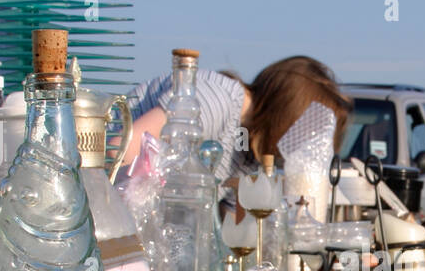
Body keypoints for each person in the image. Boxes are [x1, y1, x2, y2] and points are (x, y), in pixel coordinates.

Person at [123, 55, 349, 191]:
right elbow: (123, 151)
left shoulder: (247, 154)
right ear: (290, 117)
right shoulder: (216, 98)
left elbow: (234, 234)